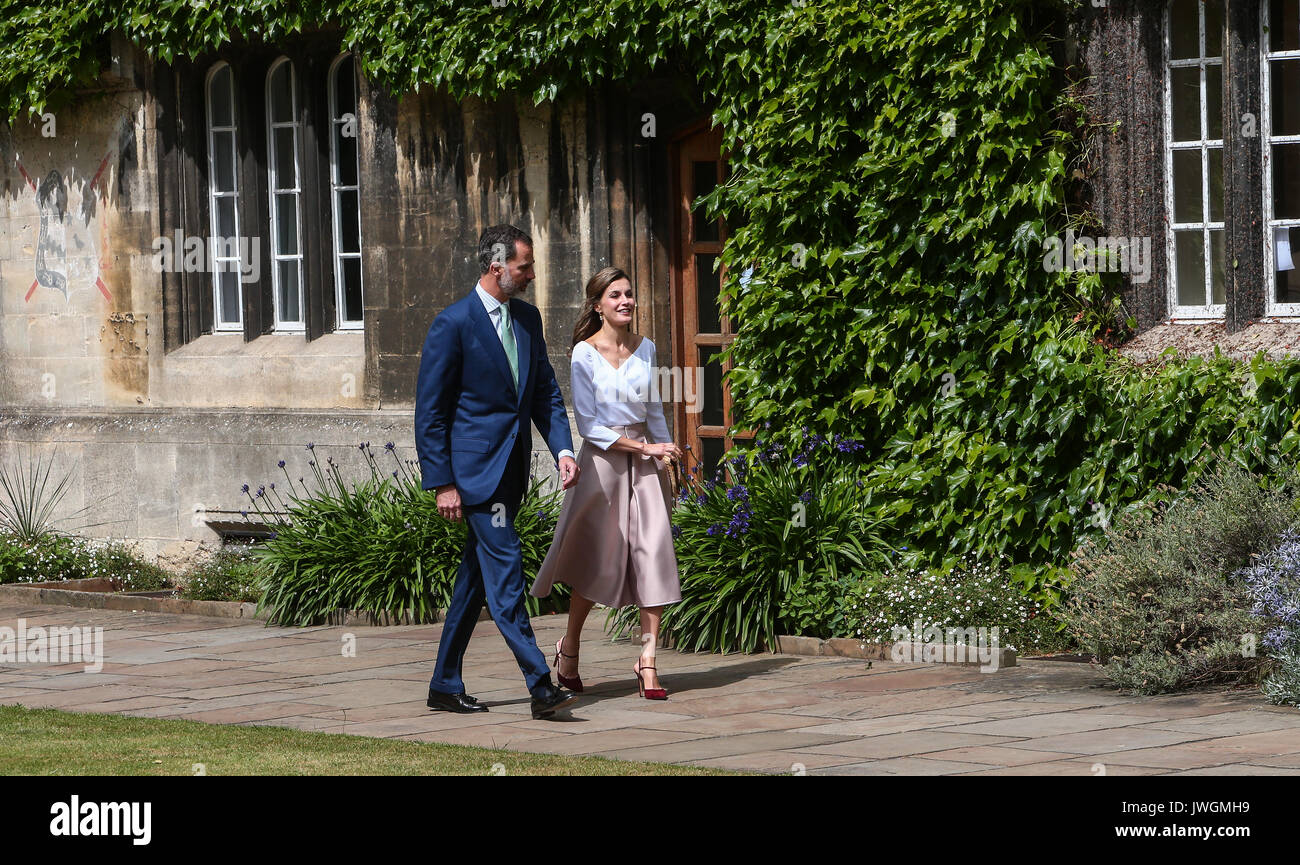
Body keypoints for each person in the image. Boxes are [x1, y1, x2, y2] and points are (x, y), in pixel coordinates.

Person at [415, 224, 582, 720]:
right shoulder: (454, 323)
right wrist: (444, 482)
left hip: (512, 474)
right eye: (524, 265)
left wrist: (563, 450)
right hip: (473, 479)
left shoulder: (528, 319)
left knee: (475, 581)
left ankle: (445, 684)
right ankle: (541, 685)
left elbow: (545, 394)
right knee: (507, 578)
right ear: (497, 266)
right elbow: (431, 412)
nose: (530, 274)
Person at [530, 266, 684, 700]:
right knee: (599, 562)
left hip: (646, 468)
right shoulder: (583, 353)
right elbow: (589, 426)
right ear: (598, 304)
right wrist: (643, 449)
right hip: (603, 468)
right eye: (615, 295)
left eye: (630, 294)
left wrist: (664, 448)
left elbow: (653, 412)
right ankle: (570, 645)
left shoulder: (647, 348)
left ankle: (648, 661)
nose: (626, 301)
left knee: (654, 556)